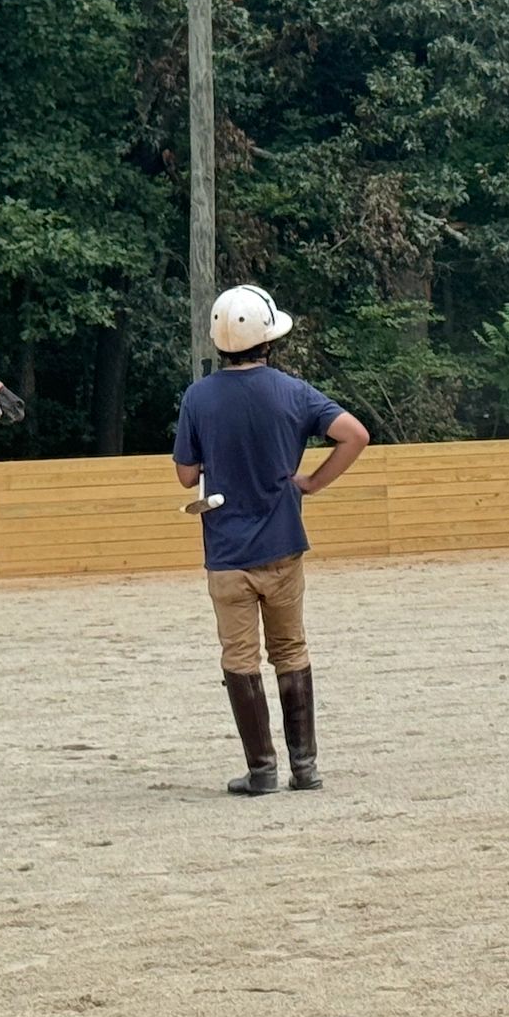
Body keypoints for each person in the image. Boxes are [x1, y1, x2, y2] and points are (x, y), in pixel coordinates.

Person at [174, 285, 369, 796]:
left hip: (226, 553)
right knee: (291, 649)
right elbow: (356, 435)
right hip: (283, 542)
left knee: (239, 658)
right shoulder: (294, 391)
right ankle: (304, 768)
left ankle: (261, 770)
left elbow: (185, 474)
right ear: (268, 340)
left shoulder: (198, 398)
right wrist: (311, 482)